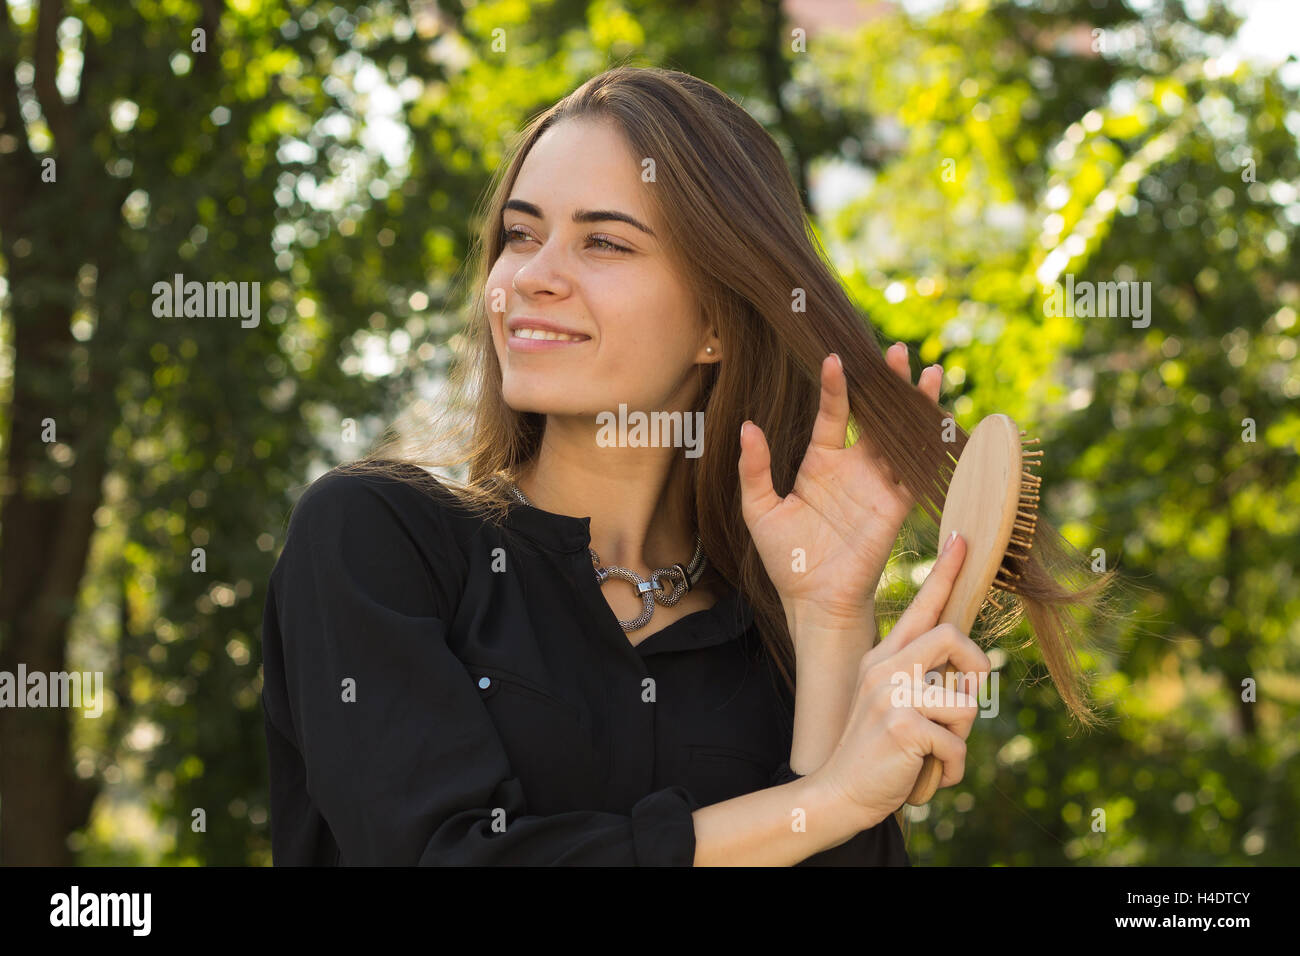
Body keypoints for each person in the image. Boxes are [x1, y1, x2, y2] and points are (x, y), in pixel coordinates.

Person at [260, 66, 1105, 866]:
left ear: (715, 325)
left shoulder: (762, 637)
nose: (531, 278)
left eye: (605, 244)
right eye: (521, 234)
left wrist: (826, 616)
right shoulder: (377, 538)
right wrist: (837, 795)